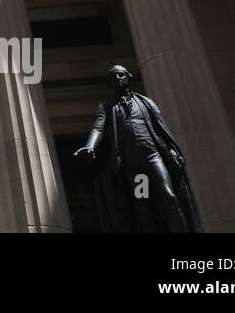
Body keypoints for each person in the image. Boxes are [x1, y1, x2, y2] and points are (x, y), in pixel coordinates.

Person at [74, 65, 200, 232]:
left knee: (169, 196)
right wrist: (90, 146)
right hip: (133, 165)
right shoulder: (107, 107)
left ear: (128, 77)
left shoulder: (145, 102)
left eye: (120, 75)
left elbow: (160, 128)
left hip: (152, 157)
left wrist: (171, 150)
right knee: (143, 203)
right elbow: (98, 128)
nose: (117, 78)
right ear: (110, 83)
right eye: (113, 77)